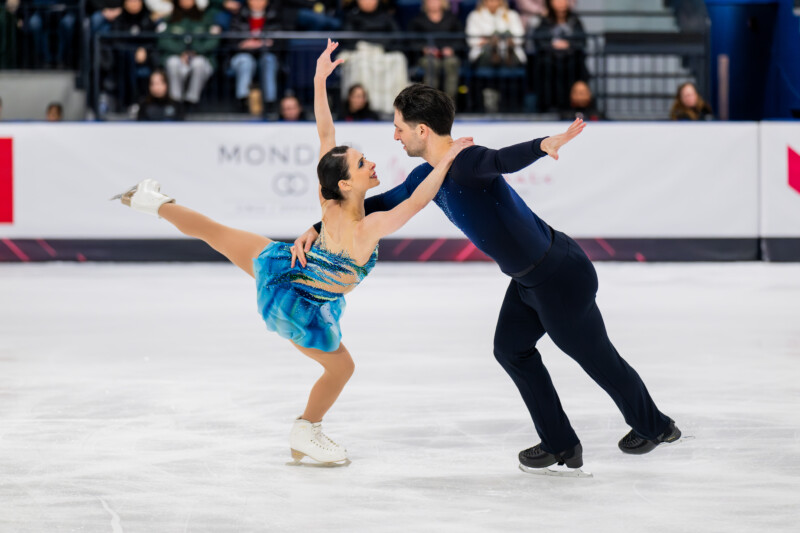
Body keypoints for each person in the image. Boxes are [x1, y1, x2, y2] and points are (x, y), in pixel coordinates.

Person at [112, 40, 472, 466]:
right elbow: (415, 201)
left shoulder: (330, 202)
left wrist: (319, 81)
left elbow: (326, 134)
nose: (372, 164)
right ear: (345, 184)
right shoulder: (366, 228)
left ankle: (149, 201)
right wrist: (447, 159)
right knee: (342, 369)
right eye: (362, 164)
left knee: (214, 232)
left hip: (280, 263)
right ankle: (306, 429)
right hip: (297, 301)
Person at [291, 83, 681, 475]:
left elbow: (500, 159)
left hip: (558, 276)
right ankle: (560, 443)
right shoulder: (426, 175)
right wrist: (317, 227)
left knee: (595, 357)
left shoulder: (466, 161)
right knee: (511, 350)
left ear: (422, 130)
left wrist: (542, 145)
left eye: (399, 127)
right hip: (528, 280)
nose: (395, 136)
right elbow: (375, 205)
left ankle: (656, 427)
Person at [528, 0, 587, 112]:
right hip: (550, 59)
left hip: (571, 59)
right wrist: (552, 45)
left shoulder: (575, 21)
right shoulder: (544, 21)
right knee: (545, 66)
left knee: (575, 66)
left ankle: (570, 106)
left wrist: (569, 44)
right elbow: (539, 41)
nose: (561, 3)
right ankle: (548, 106)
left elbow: (582, 41)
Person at [158, 0, 219, 107]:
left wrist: (195, 51)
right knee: (172, 62)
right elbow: (162, 40)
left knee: (199, 63)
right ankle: (176, 101)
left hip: (200, 58)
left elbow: (213, 40)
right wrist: (181, 52)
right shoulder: (169, 19)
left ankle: (191, 101)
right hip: (177, 57)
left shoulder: (205, 18)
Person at [229, 0, 281, 116]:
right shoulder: (239, 16)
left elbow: (278, 41)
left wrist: (258, 44)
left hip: (266, 54)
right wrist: (244, 44)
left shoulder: (273, 16)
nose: (257, 2)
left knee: (269, 60)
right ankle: (243, 101)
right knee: (246, 61)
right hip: (241, 55)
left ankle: (270, 103)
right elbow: (232, 41)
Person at [407, 0, 464, 102]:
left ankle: (449, 102)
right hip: (427, 57)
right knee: (432, 63)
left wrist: (452, 49)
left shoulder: (452, 19)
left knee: (451, 63)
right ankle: (430, 103)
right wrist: (424, 49)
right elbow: (411, 41)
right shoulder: (418, 20)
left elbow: (461, 39)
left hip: (448, 56)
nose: (433, 3)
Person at [465, 0, 526, 67]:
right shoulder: (475, 16)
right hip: (483, 52)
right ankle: (494, 52)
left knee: (506, 34)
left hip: (509, 51)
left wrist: (508, 41)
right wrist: (490, 40)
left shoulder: (512, 15)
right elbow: (472, 40)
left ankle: (506, 54)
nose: (493, 3)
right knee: (493, 40)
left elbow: (520, 38)